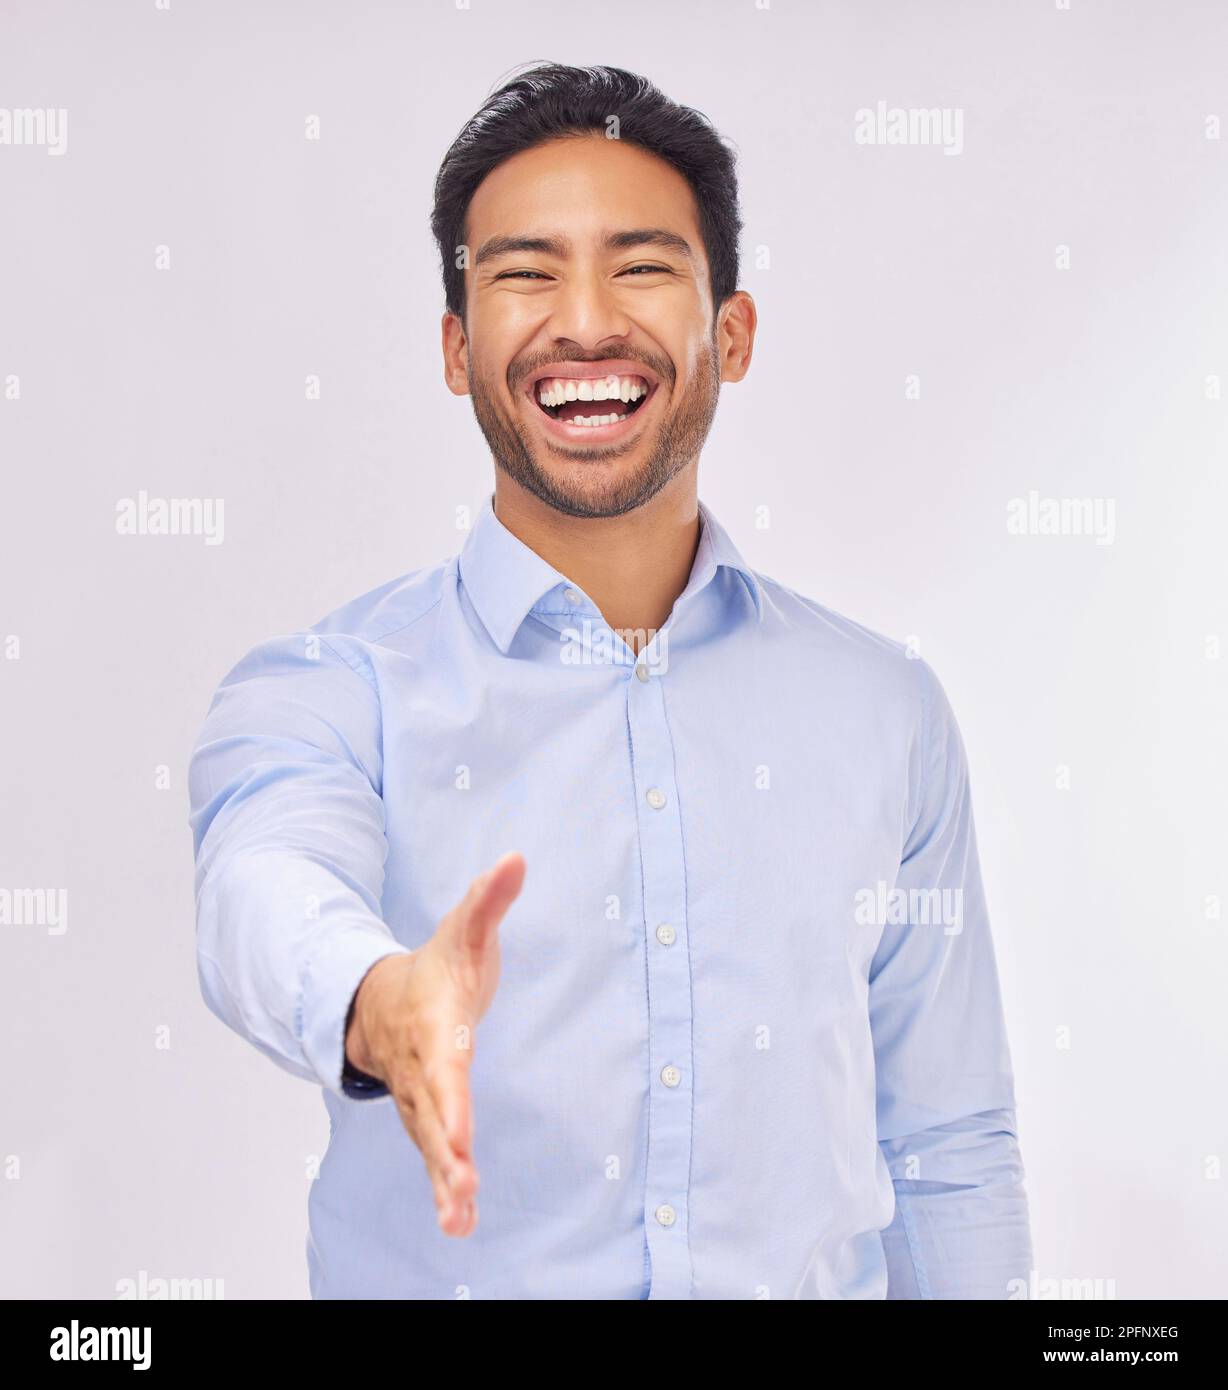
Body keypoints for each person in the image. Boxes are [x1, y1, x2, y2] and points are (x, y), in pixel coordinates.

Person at [188, 63, 1032, 1300]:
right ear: (453, 344)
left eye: (640, 266)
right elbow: (259, 884)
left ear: (728, 336)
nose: (584, 322)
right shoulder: (329, 690)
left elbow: (945, 1143)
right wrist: (378, 1000)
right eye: (524, 272)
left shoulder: (883, 710)